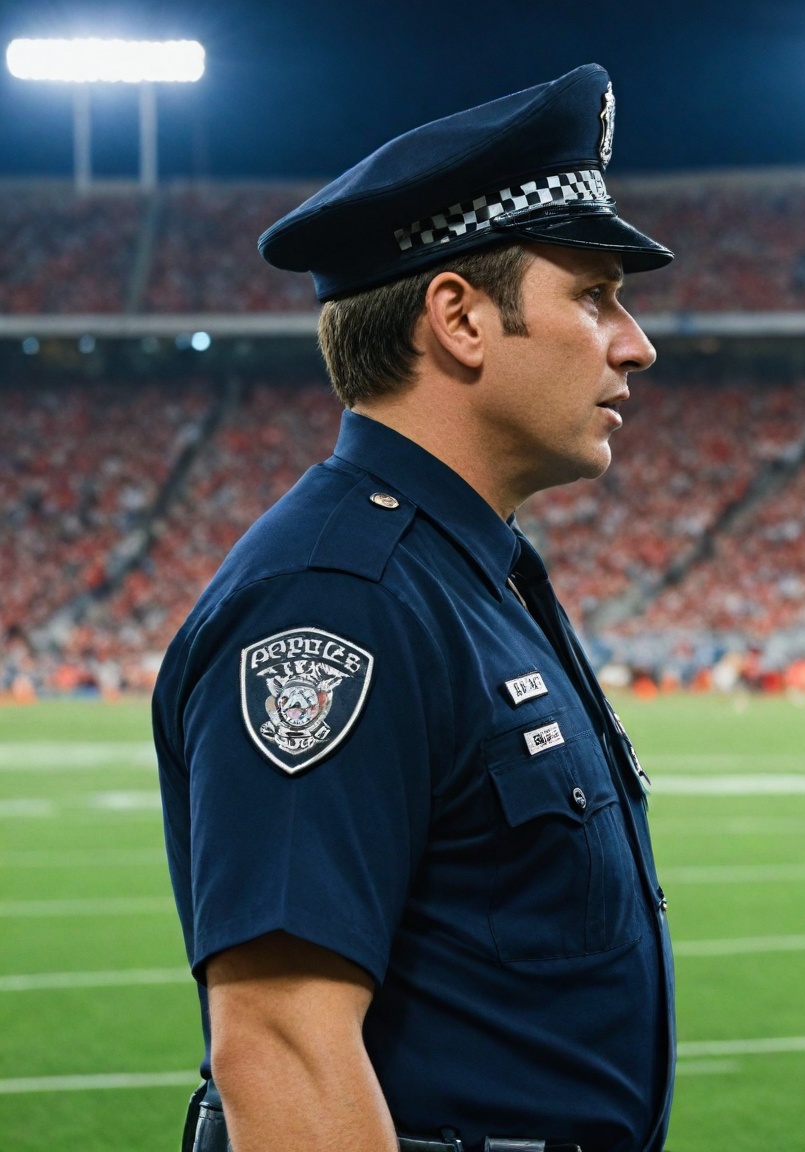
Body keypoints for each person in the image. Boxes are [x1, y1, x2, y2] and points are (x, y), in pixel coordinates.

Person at [155, 65, 680, 1152]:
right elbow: (282, 1045)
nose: (635, 342)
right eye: (592, 296)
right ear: (461, 319)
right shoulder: (342, 600)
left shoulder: (461, 571)